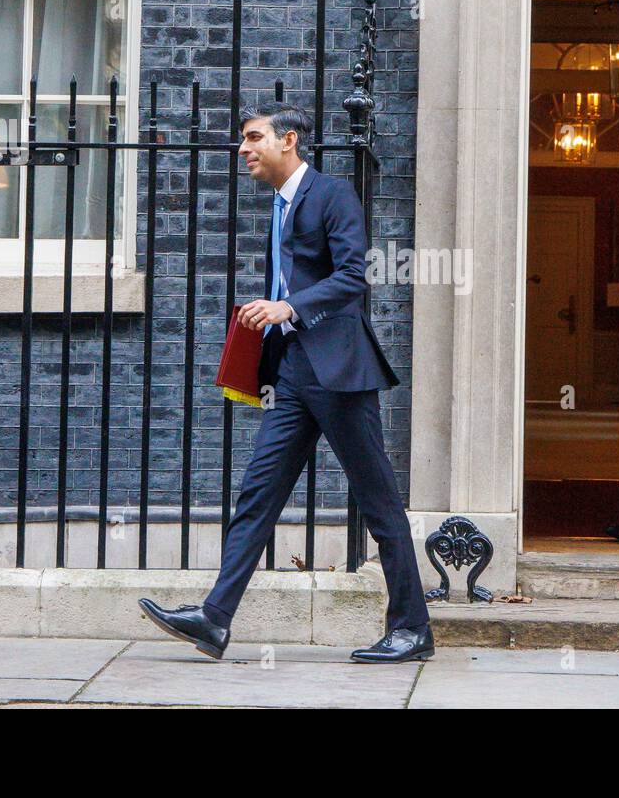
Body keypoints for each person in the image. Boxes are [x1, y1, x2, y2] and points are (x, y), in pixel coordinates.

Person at [139, 104, 433, 663]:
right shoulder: (279, 205)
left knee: (377, 502)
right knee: (259, 493)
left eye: (253, 138)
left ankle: (412, 628)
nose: (243, 149)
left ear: (288, 140)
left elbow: (353, 276)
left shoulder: (331, 194)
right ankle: (214, 618)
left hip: (339, 372)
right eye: (243, 140)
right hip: (293, 371)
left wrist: (287, 307)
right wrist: (272, 316)